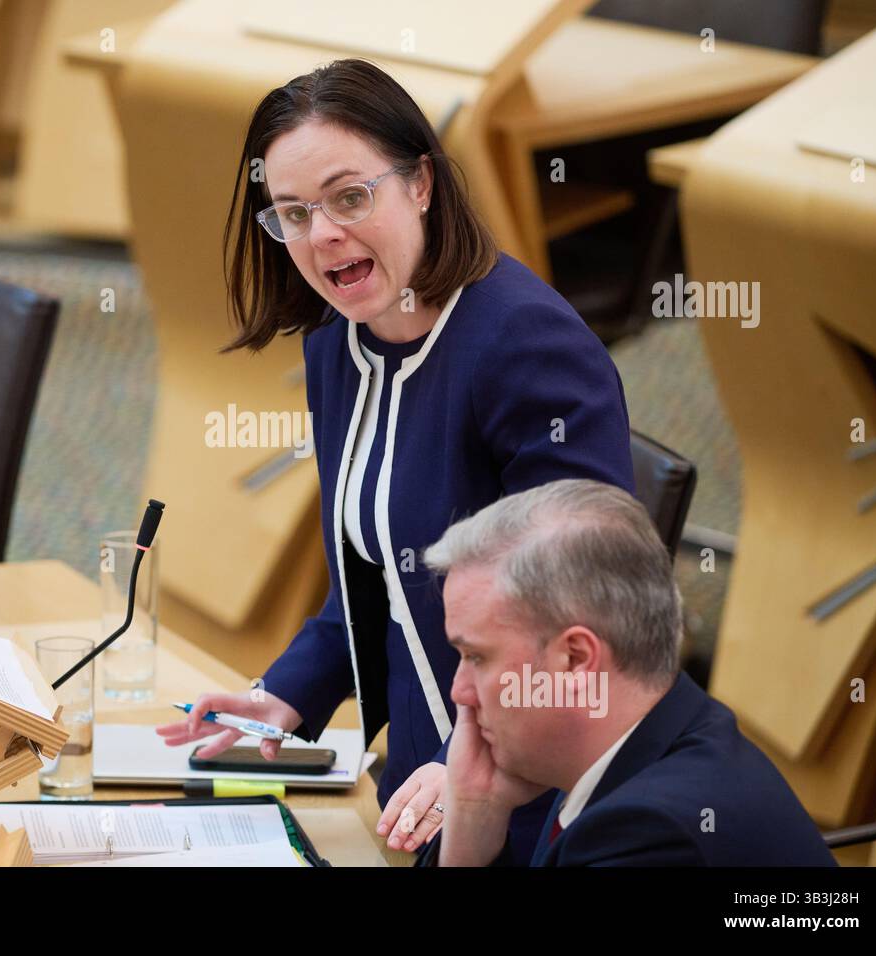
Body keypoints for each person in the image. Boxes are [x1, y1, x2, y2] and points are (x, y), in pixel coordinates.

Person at [156, 58, 634, 857]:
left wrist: (480, 772)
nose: (324, 235)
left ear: (422, 184)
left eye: (350, 197)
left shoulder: (526, 347)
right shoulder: (338, 344)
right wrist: (284, 698)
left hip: (534, 805)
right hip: (411, 793)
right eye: (293, 213)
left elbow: (593, 613)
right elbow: (374, 578)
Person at [415, 479, 836, 866]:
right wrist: (475, 811)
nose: (461, 692)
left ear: (576, 661)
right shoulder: (644, 739)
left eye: (476, 657)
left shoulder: (651, 833)